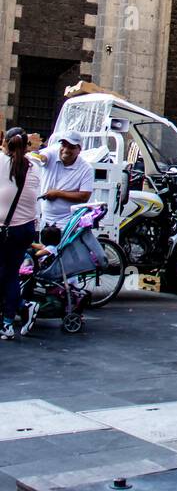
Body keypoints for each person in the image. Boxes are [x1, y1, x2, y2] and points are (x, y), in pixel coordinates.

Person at [0, 128, 41, 340]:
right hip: (25, 229)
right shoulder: (34, 168)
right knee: (10, 275)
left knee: (5, 275)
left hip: (4, 230)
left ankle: (20, 309)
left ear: (5, 144)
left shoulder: (1, 162)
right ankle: (9, 322)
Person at [30, 131, 94, 244]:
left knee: (61, 254)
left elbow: (84, 196)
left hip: (67, 221)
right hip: (46, 219)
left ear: (79, 150)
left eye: (71, 147)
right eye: (64, 145)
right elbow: (41, 157)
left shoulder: (86, 168)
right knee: (46, 254)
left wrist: (57, 193)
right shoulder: (53, 152)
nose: (66, 150)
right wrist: (37, 155)